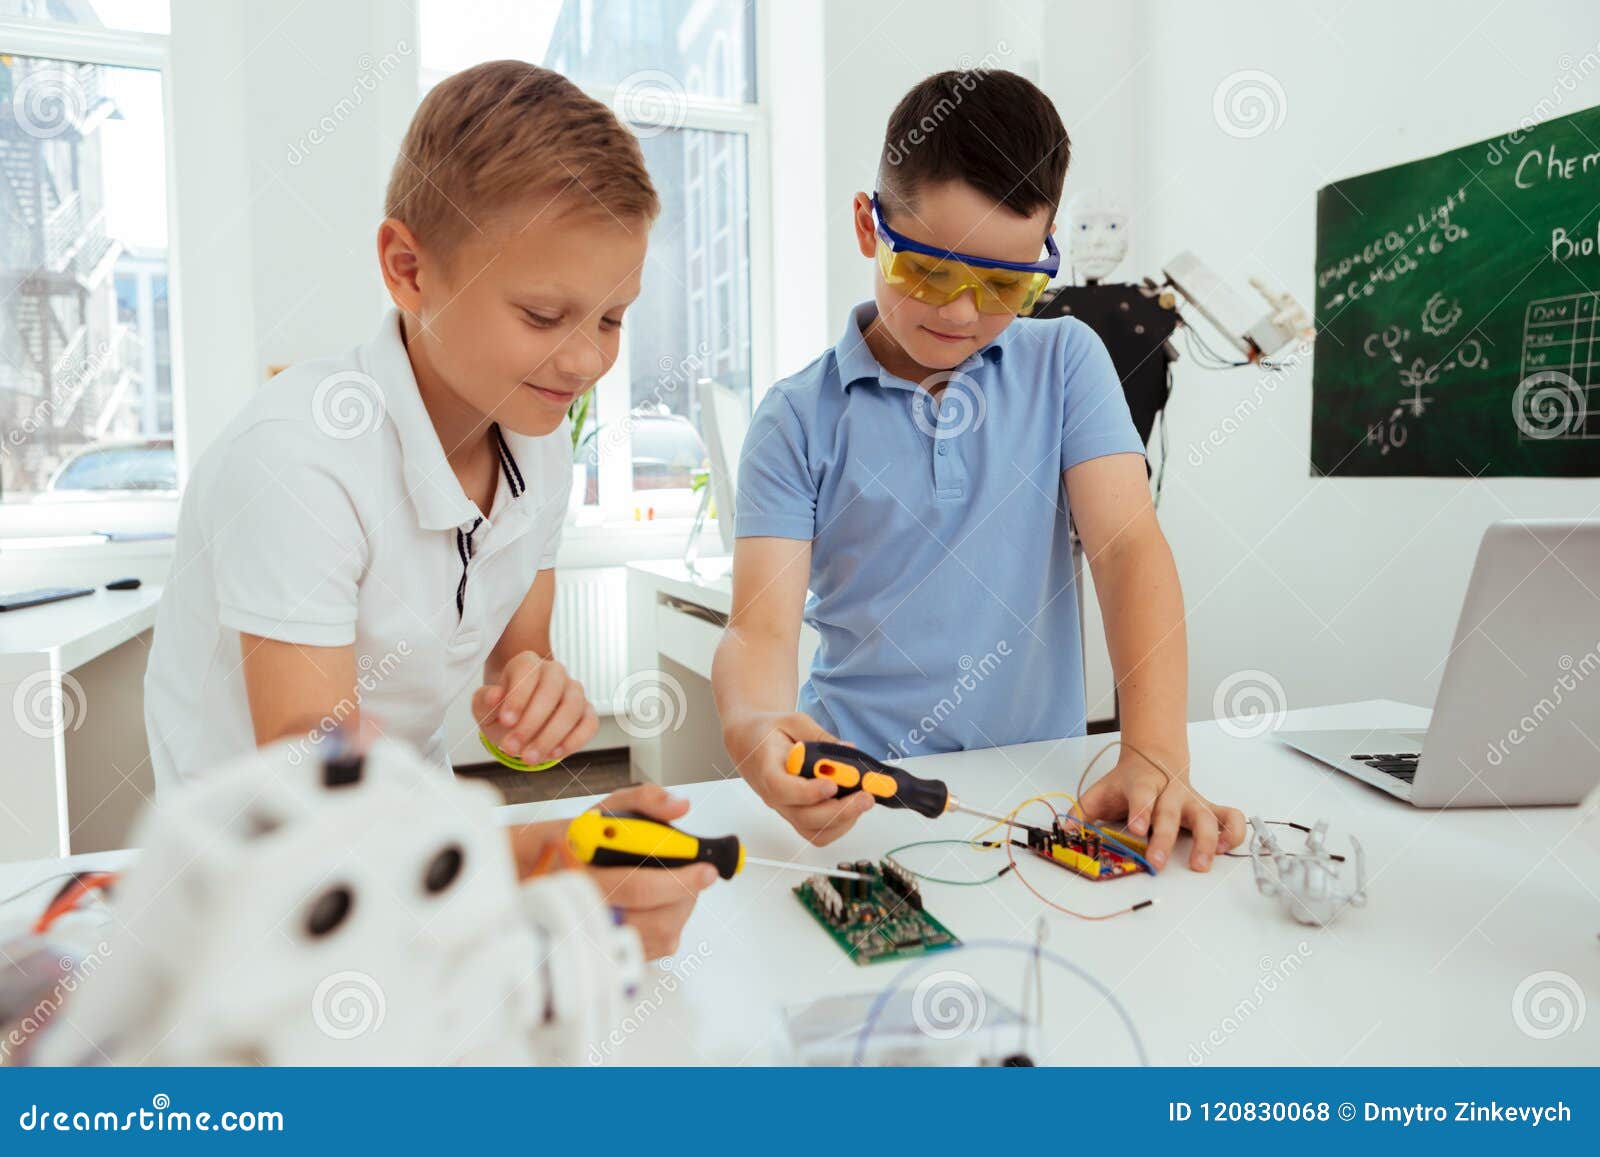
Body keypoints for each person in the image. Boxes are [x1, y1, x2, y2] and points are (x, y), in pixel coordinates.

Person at [144, 61, 712, 956]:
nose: (585, 362)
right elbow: (312, 780)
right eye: (542, 314)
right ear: (408, 269)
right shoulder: (297, 460)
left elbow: (518, 655)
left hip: (413, 848)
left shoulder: (540, 443)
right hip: (253, 884)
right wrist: (545, 852)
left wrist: (535, 697)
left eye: (611, 319)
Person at [713, 70, 1245, 871]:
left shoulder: (1067, 362)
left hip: (1036, 790)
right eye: (928, 271)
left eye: (1005, 285)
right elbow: (761, 627)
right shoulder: (796, 419)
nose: (961, 314)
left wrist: (1158, 750)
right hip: (862, 794)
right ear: (868, 224)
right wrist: (755, 725)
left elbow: (1128, 547)